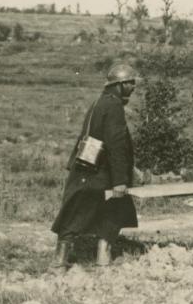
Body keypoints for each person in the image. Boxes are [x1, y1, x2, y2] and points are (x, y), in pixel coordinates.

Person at [51, 62, 138, 269]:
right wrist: (120, 181)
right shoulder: (114, 106)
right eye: (131, 83)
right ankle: (101, 258)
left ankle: (60, 261)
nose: (133, 87)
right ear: (120, 84)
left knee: (76, 212)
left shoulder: (99, 102)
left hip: (87, 168)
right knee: (112, 211)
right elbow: (116, 145)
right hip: (100, 173)